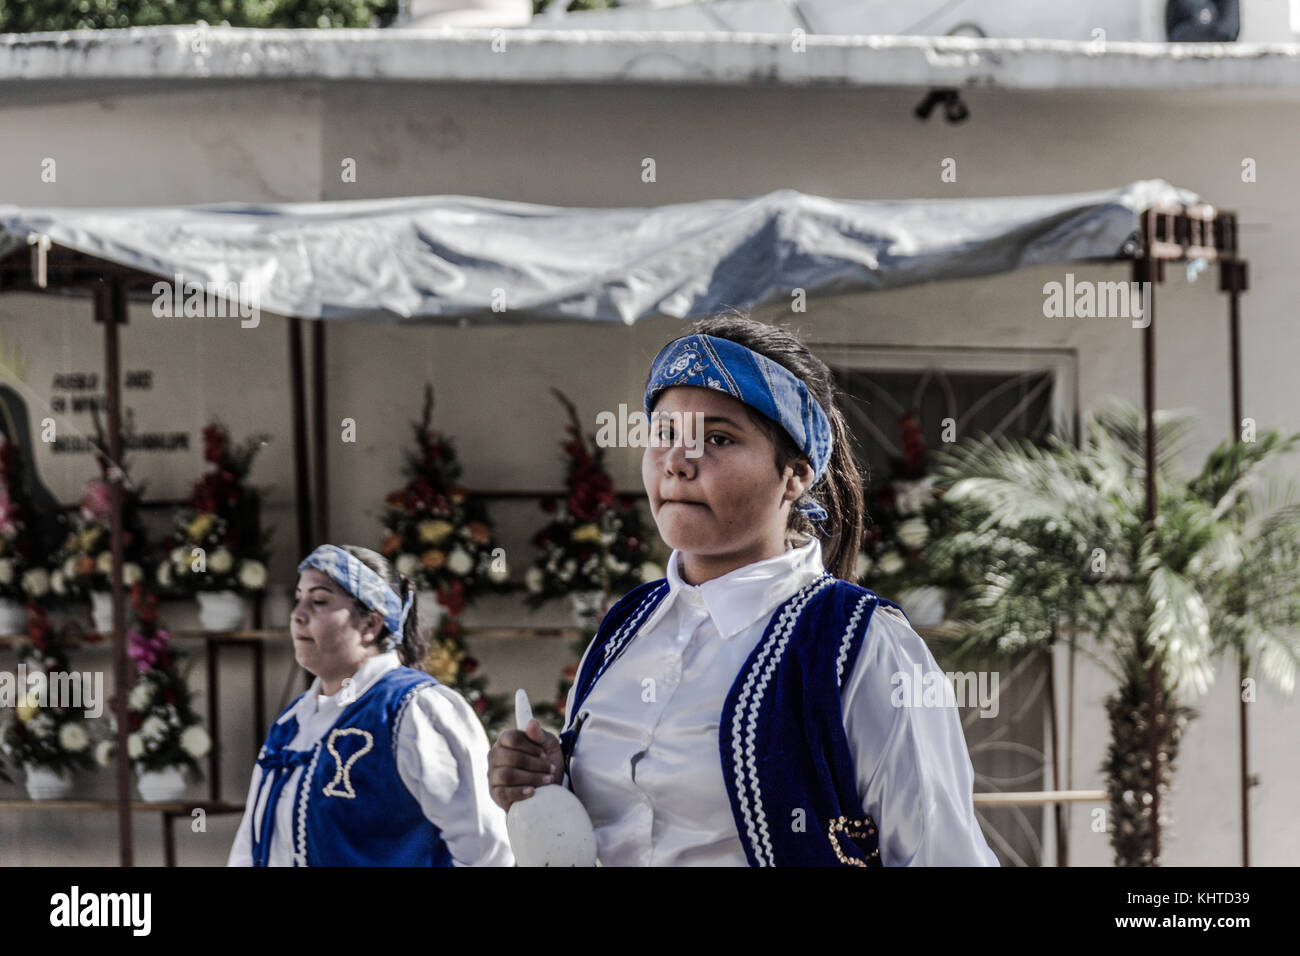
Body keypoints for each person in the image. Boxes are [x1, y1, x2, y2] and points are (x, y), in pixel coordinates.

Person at [489, 312, 998, 867]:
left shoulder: (858, 644)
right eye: (664, 435)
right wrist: (553, 781)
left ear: (796, 474)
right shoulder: (626, 627)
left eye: (719, 438)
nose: (678, 463)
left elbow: (943, 853)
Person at [229, 544, 512, 867]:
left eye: (319, 600)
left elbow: (487, 851)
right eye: (298, 598)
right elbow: (248, 848)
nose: (298, 614)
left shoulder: (415, 710)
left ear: (371, 625)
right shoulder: (293, 723)